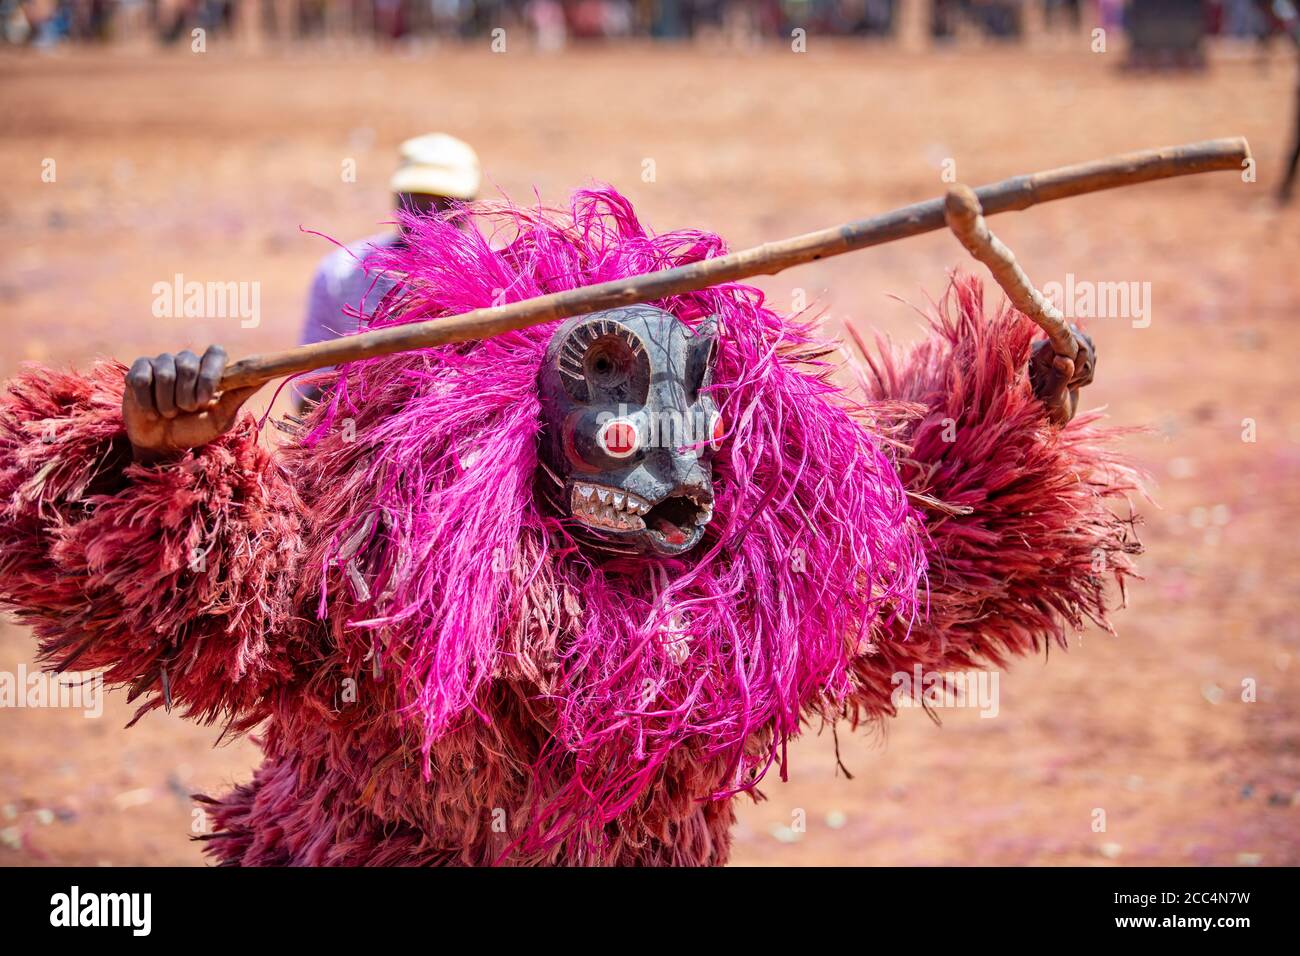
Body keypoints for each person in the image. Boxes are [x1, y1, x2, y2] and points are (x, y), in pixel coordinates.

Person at [0, 187, 1131, 866]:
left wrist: (1018, 413)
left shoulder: (763, 607)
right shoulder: (382, 583)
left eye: (691, 438)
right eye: (622, 440)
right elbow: (212, 596)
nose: (675, 489)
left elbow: (930, 556)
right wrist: (156, 459)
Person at [295, 132, 481, 406]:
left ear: (469, 206)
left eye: (444, 204)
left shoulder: (503, 277)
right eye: (414, 202)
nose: (426, 216)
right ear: (396, 200)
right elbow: (305, 399)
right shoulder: (340, 272)